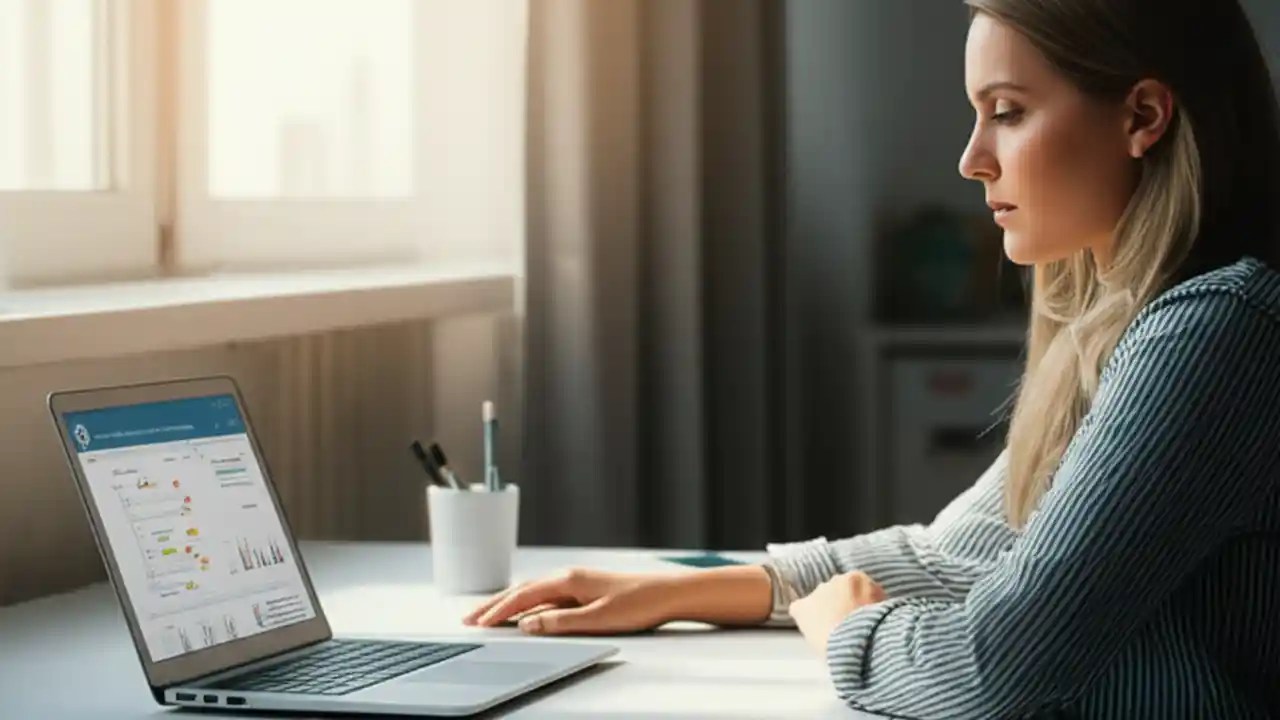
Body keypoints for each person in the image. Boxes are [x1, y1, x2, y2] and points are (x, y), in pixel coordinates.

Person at [465, 0, 1280, 716]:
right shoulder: (1120, 319)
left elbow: (995, 666)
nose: (972, 159)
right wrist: (698, 589)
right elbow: (954, 553)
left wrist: (853, 631)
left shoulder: (1214, 331)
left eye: (1008, 111)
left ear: (1142, 116)